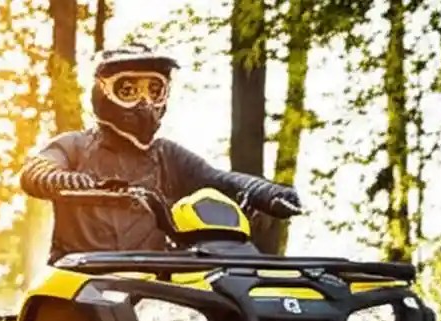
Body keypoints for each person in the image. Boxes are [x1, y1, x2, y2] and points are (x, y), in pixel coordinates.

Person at [20, 44, 303, 262]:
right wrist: (65, 180)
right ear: (103, 92)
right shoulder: (75, 145)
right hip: (78, 275)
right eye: (128, 90)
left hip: (151, 283)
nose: (144, 102)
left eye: (154, 90)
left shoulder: (167, 155)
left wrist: (265, 192)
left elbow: (216, 179)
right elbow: (36, 169)